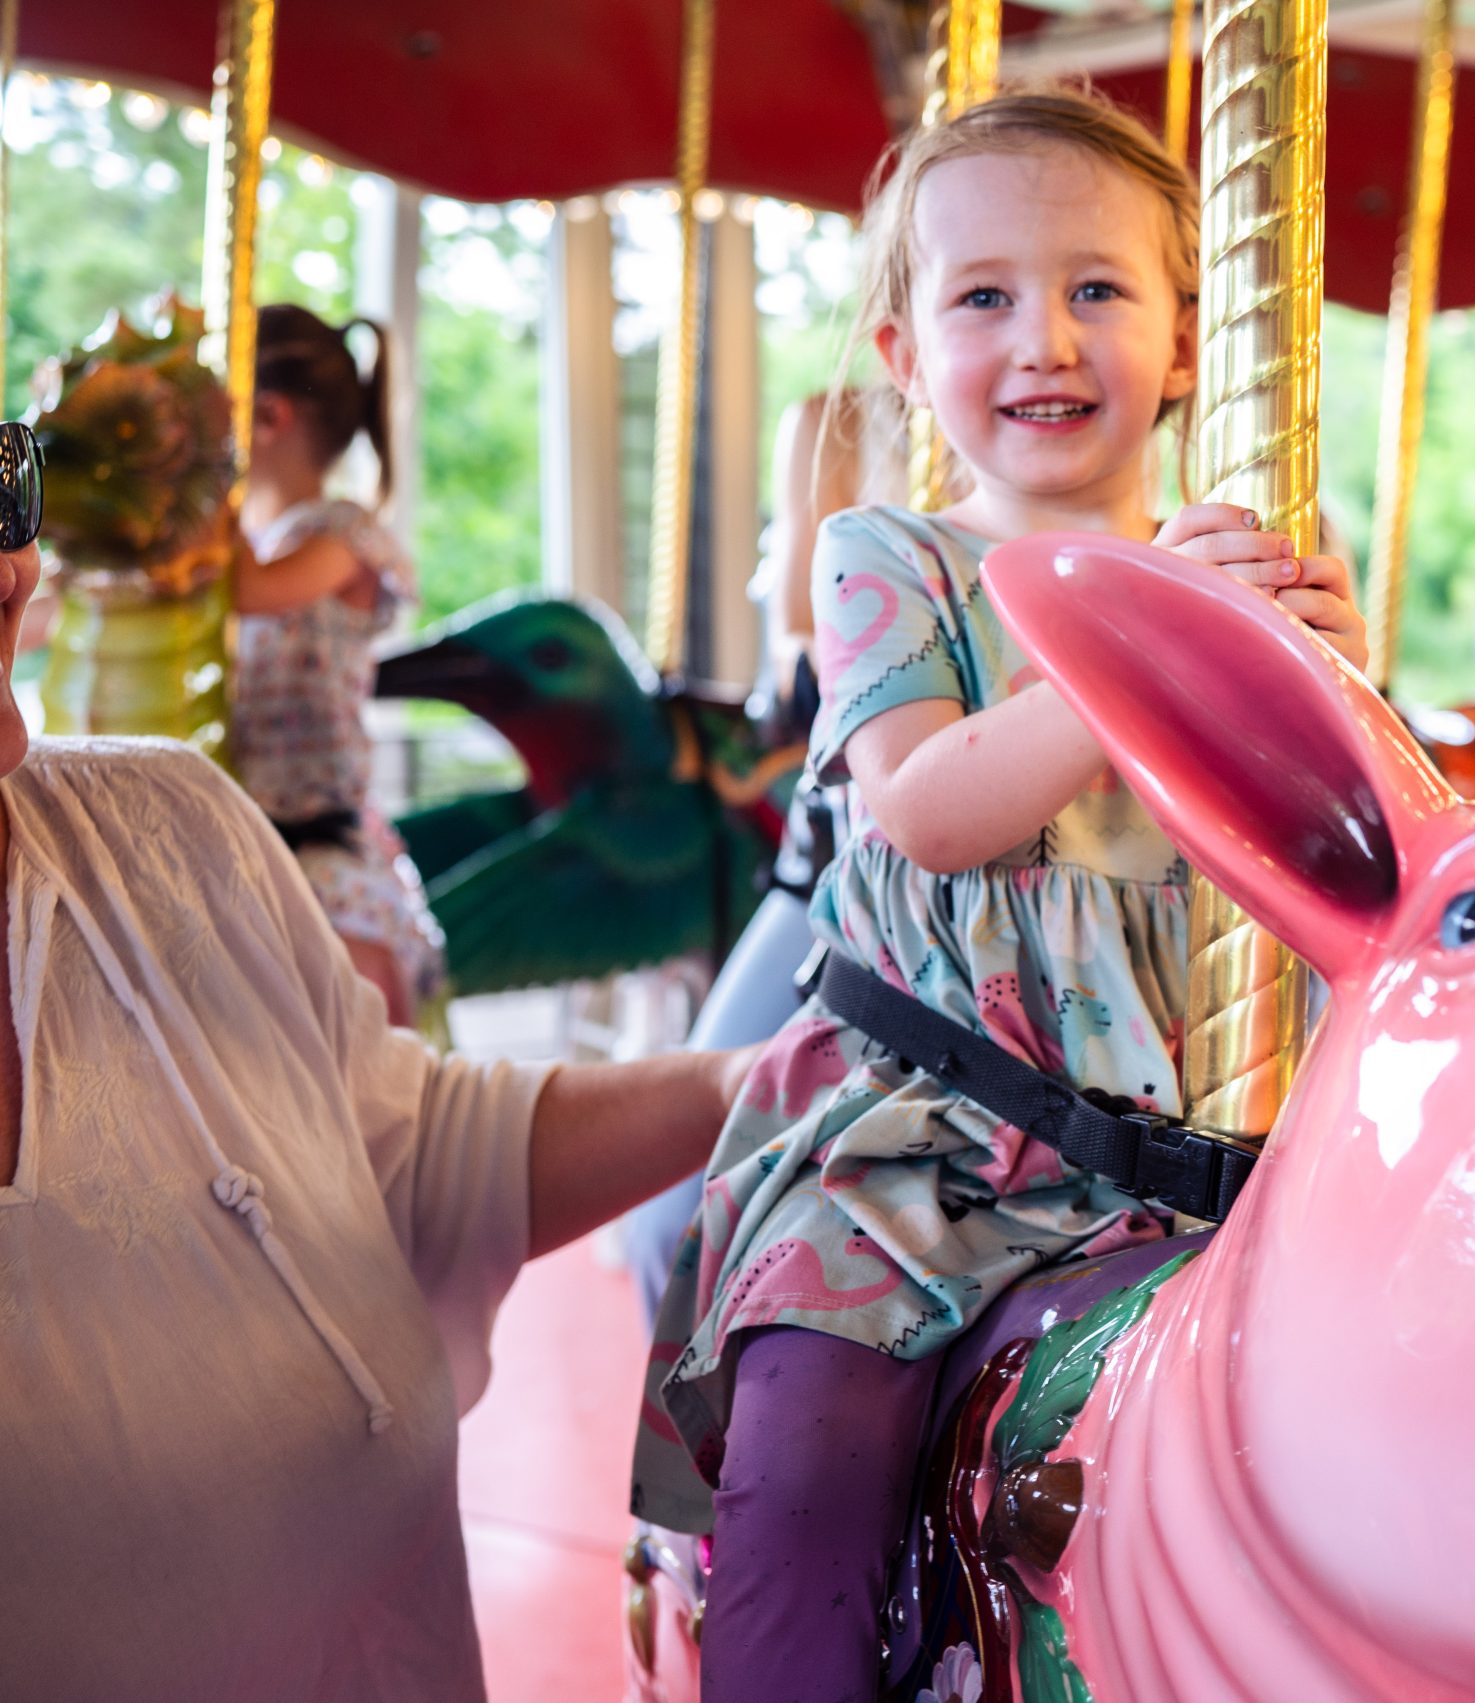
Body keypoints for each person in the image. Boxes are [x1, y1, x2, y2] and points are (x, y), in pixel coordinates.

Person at [628, 88, 1366, 1699]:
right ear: (905, 355)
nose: (1045, 336)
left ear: (1188, 343)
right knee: (810, 1445)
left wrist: (1331, 688)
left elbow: (1330, 870)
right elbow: (930, 806)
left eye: (1098, 288)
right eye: (985, 296)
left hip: (1191, 1142)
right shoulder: (888, 557)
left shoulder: (1238, 577)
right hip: (921, 1138)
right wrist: (1157, 643)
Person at [0, 527, 756, 1700]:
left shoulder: (173, 823)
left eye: (4, 479)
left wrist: (744, 1085)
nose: (14, 559)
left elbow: (393, 1143)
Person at [624, 389, 906, 1325]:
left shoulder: (868, 613)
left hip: (827, 915)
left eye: (774, 528)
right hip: (815, 902)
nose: (757, 571)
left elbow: (788, 604)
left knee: (666, 1212)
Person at [234, 303, 444, 1027]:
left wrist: (187, 501)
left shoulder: (344, 533)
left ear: (267, 415)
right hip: (243, 825)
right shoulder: (248, 540)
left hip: (319, 841)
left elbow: (252, 591)